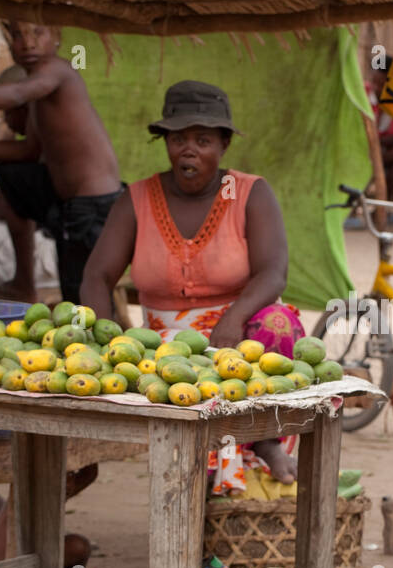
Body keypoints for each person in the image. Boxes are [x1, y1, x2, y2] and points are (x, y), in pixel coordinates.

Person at [80, 80, 301, 484]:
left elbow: (273, 272)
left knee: (278, 323)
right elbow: (97, 275)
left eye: (203, 139)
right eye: (178, 138)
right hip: (163, 349)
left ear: (223, 146)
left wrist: (234, 319)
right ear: (165, 142)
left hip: (234, 340)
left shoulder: (249, 193)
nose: (189, 149)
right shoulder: (138, 198)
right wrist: (101, 341)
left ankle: (264, 437)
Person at [0, 22, 122, 302]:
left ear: (56, 37)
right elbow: (28, 151)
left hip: (93, 204)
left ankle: (102, 343)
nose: (28, 43)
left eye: (37, 32)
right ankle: (28, 286)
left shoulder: (57, 70)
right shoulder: (39, 94)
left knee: (84, 292)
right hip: (74, 206)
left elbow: (16, 94)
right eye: (18, 35)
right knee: (75, 286)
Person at [366, 56, 393, 197]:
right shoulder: (362, 93)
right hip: (359, 149)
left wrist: (374, 141)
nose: (377, 88)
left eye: (381, 84)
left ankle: (385, 197)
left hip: (380, 151)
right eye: (375, 82)